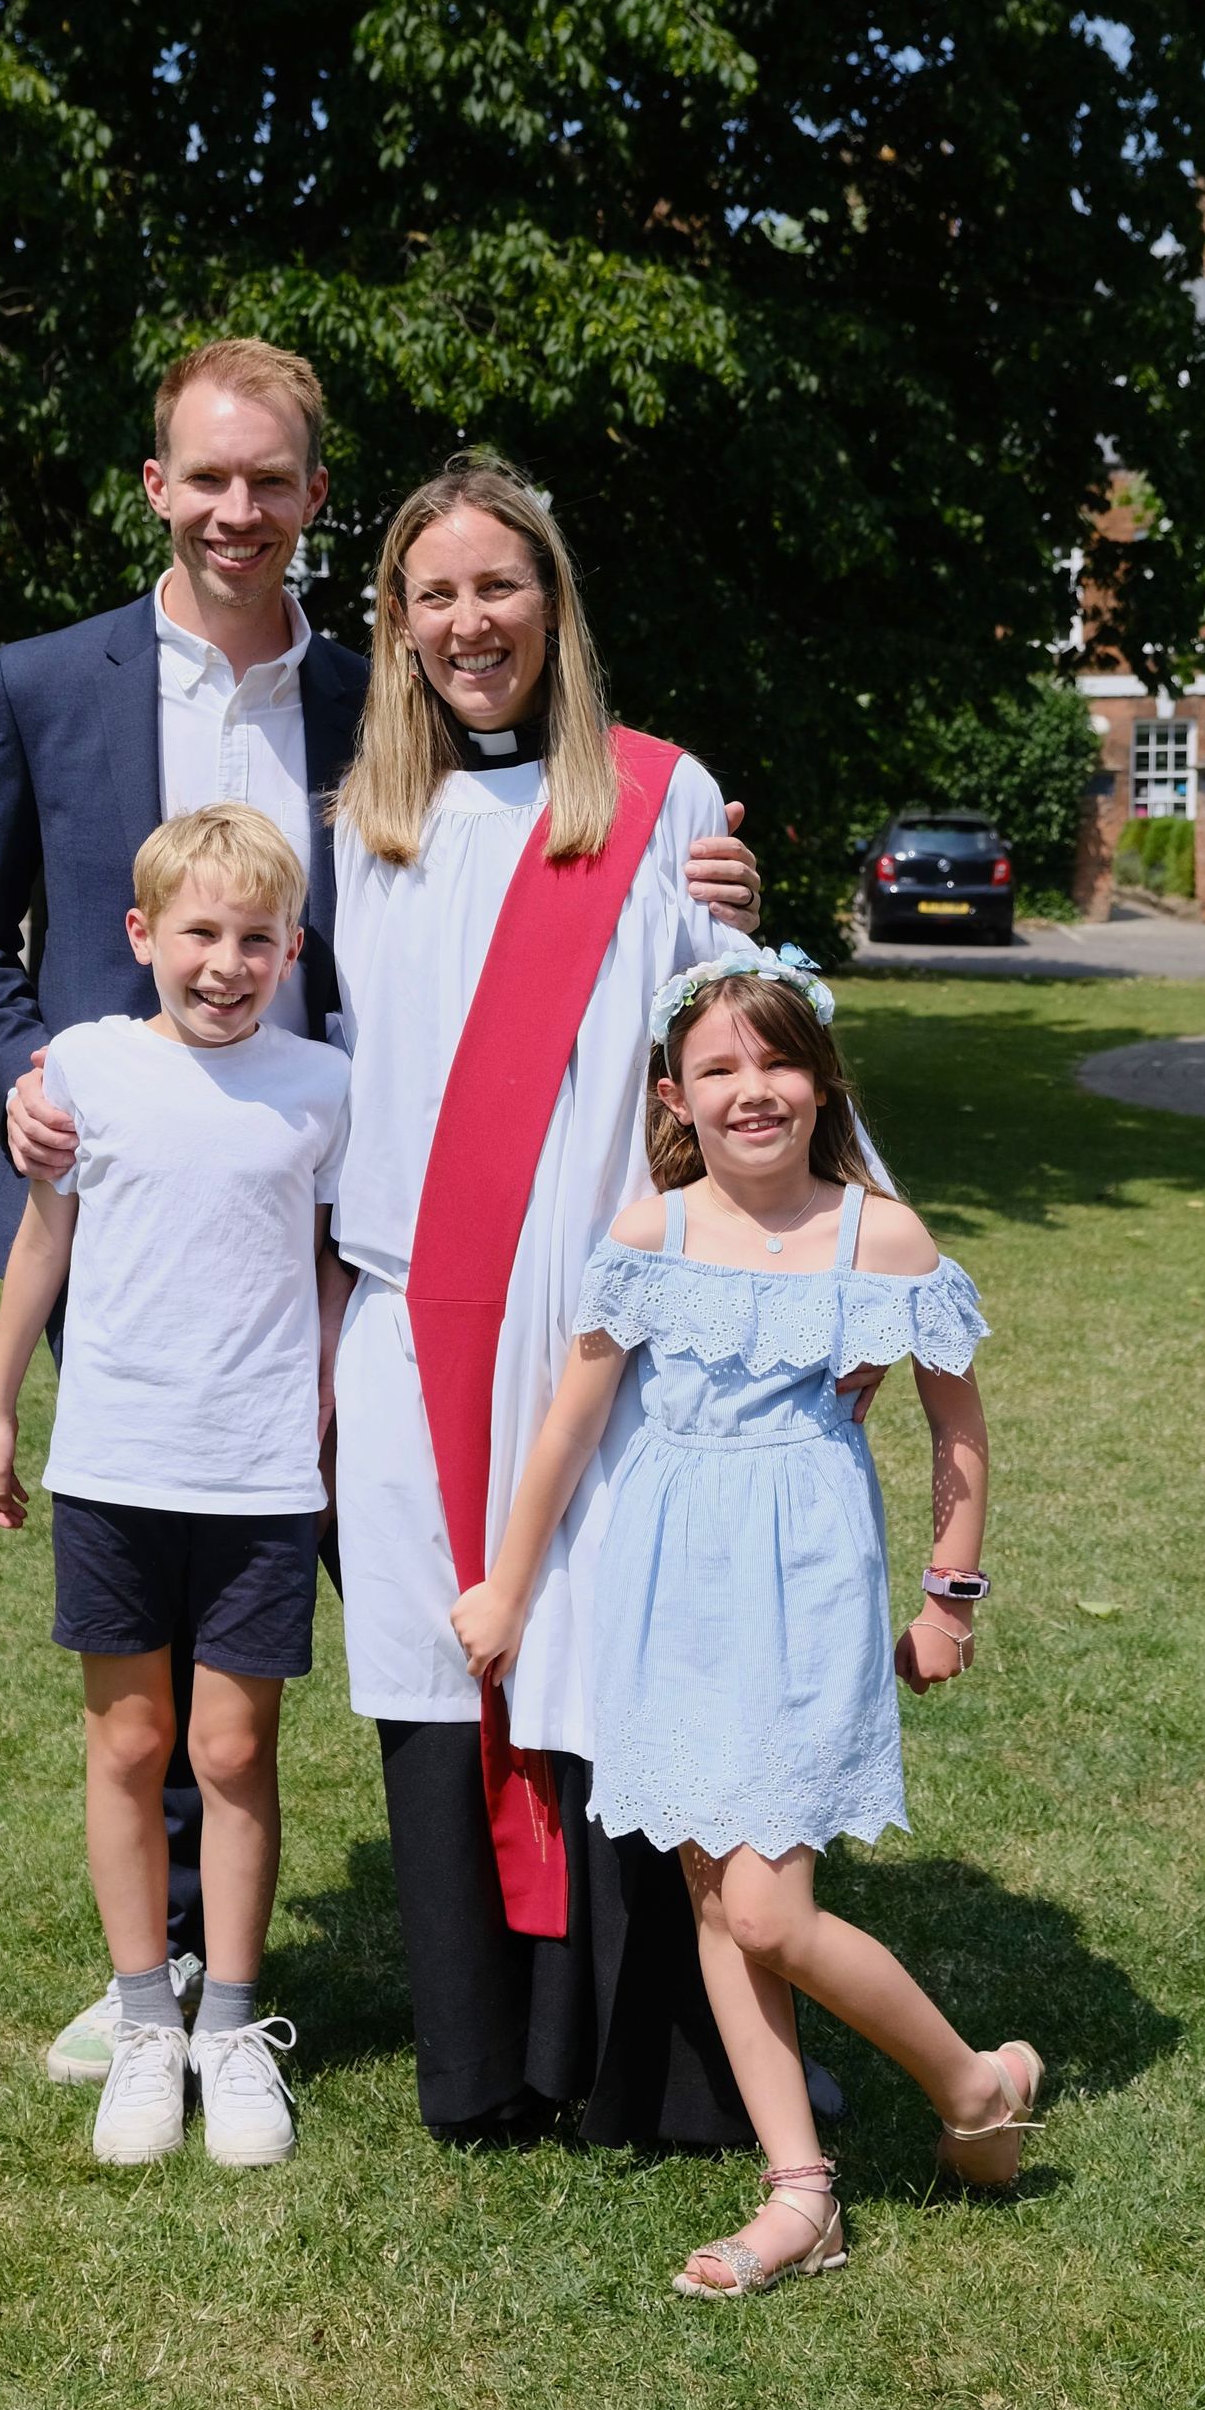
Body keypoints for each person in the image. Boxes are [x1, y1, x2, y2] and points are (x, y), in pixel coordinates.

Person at [0, 340, 761, 2079]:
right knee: (154, 1586)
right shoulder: (40, 682)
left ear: (318, 504)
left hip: (369, 1197)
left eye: (273, 481)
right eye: (206, 477)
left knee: (332, 1584)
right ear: (157, 486)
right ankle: (153, 1969)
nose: (239, 508)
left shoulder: (370, 710)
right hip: (138, 1189)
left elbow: (527, 861)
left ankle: (483, 1975)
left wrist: (714, 893)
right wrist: (23, 1073)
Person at [326, 457, 831, 2150]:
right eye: (436, 594)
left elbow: (746, 1059)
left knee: (612, 1660)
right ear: (395, 627)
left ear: (555, 606)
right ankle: (477, 2067)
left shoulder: (665, 800)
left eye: (502, 587)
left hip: (601, 1321)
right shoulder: (362, 829)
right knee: (430, 1656)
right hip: (415, 1308)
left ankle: (649, 2070)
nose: (472, 622)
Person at [451, 951, 1042, 2295]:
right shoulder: (653, 1233)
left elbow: (958, 1429)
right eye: (719, 1069)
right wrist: (510, 1582)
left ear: (823, 1079)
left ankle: (974, 2082)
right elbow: (570, 1421)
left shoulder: (877, 1237)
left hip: (807, 1581)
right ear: (676, 1095)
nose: (752, 1090)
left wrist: (950, 1595)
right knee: (719, 1894)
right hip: (670, 1589)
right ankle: (802, 2196)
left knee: (770, 1910)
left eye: (777, 1062)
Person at [0, 806, 352, 2170]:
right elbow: (43, 1243)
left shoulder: (320, 1087)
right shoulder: (81, 1068)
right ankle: (146, 2023)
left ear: (292, 948)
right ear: (141, 937)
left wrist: (322, 1394)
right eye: (199, 933)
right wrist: (2, 1400)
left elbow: (332, 1261)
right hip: (118, 1467)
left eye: (257, 938)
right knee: (131, 1748)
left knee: (234, 1753)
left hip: (259, 1474)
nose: (226, 963)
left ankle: (234, 2028)